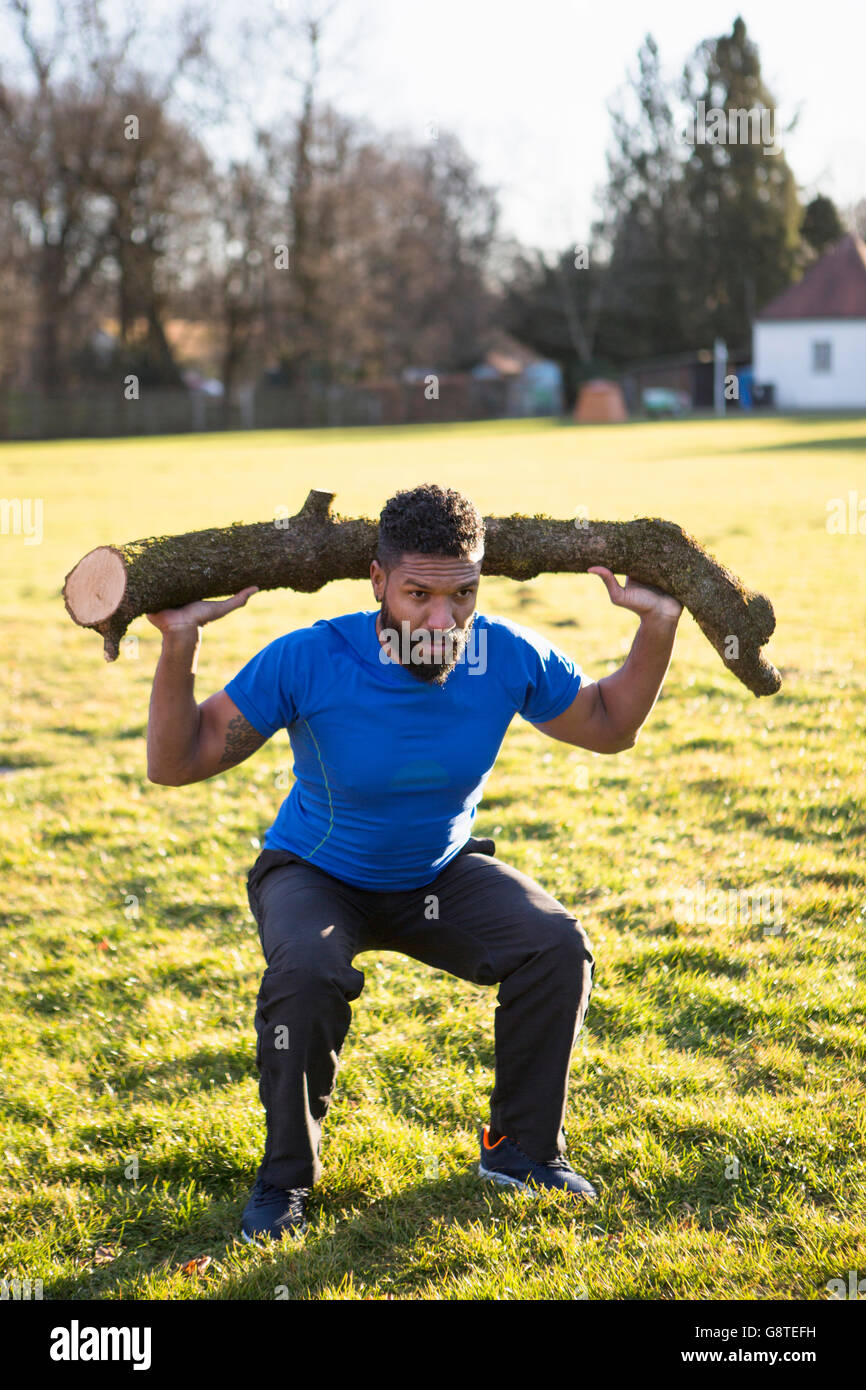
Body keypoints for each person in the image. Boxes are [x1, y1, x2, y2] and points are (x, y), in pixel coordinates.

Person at [145, 483, 682, 1244]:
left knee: (554, 944)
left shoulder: (504, 654)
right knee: (306, 973)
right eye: (417, 594)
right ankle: (284, 1182)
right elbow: (178, 761)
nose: (441, 620)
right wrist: (179, 644)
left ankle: (521, 1153)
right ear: (377, 582)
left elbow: (607, 724)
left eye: (461, 594)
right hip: (316, 872)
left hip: (437, 871)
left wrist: (658, 624)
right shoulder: (311, 657)